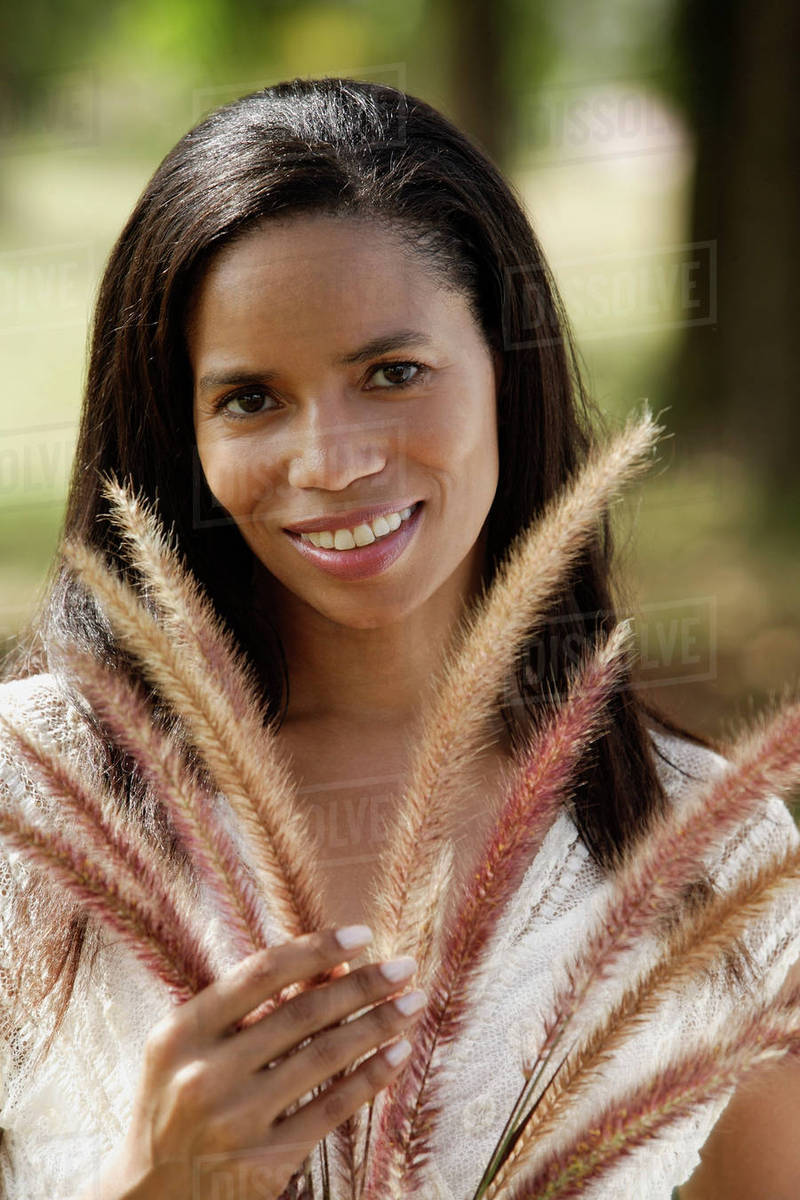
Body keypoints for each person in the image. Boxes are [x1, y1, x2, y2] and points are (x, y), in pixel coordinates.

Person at [0, 77, 798, 1200]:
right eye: (250, 399)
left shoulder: (711, 853)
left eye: (392, 374)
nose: (331, 462)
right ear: (183, 434)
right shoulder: (31, 801)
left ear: (505, 370)